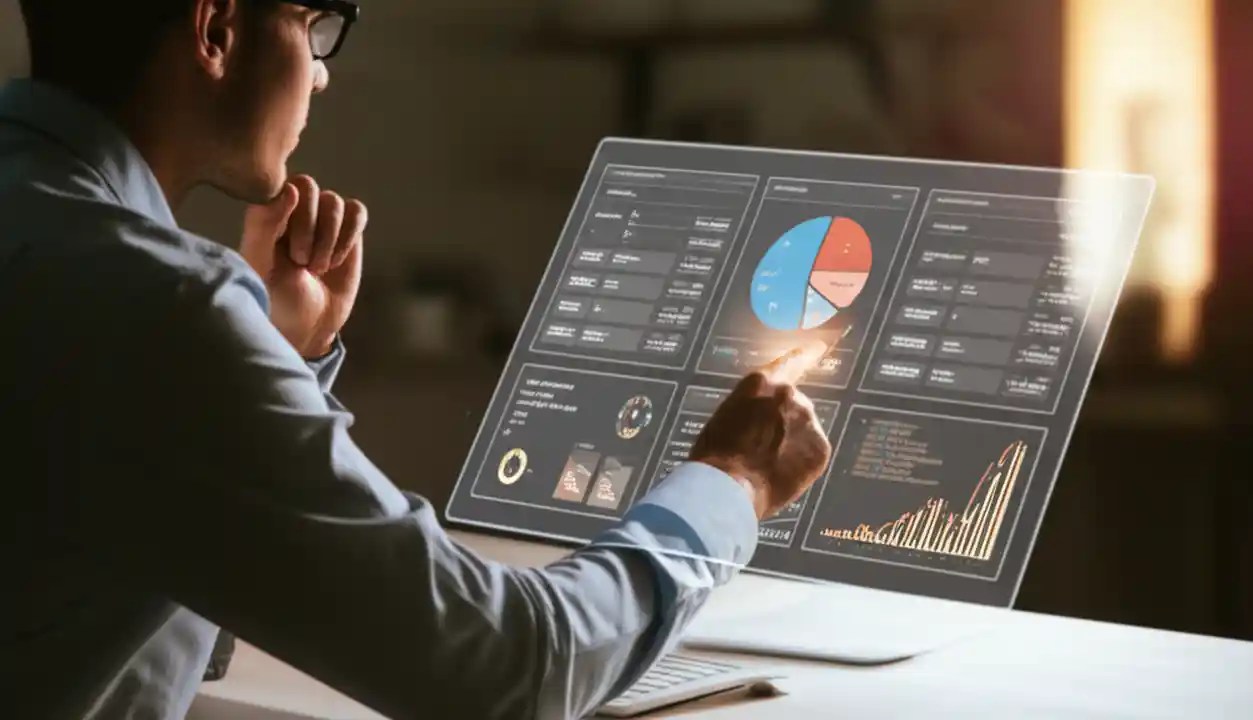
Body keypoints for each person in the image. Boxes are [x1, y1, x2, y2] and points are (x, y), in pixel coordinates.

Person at [0, 1, 832, 718]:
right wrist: (734, 483)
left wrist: (274, 356)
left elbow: (132, 594)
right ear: (216, 27)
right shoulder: (164, 308)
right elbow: (512, 669)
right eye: (315, 24)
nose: (321, 75)